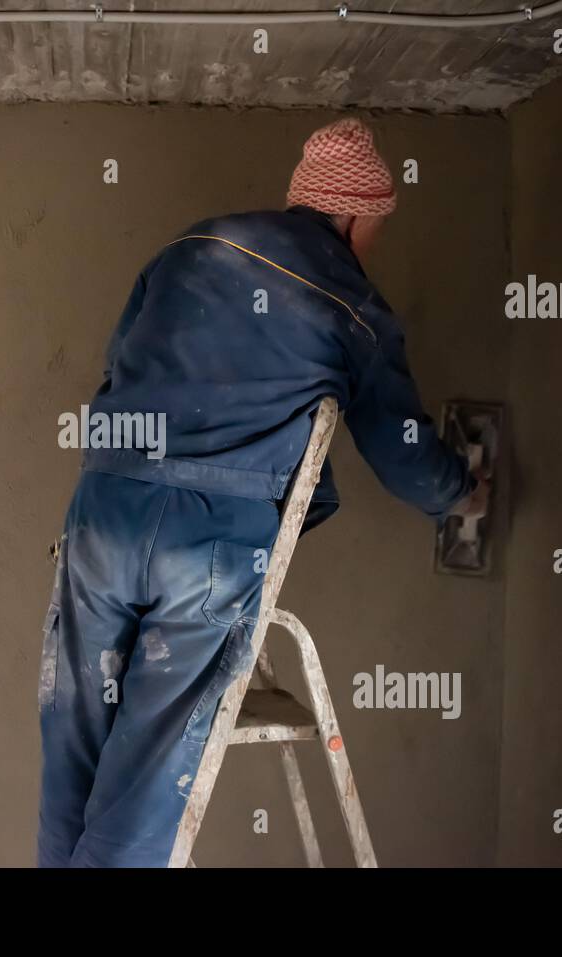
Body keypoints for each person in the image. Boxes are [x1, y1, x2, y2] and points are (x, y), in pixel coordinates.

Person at [36, 118, 487, 867]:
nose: (374, 241)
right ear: (354, 213)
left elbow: (117, 366)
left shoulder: (187, 249)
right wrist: (464, 494)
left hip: (104, 513)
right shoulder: (354, 307)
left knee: (74, 742)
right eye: (376, 224)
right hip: (206, 543)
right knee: (147, 772)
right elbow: (404, 452)